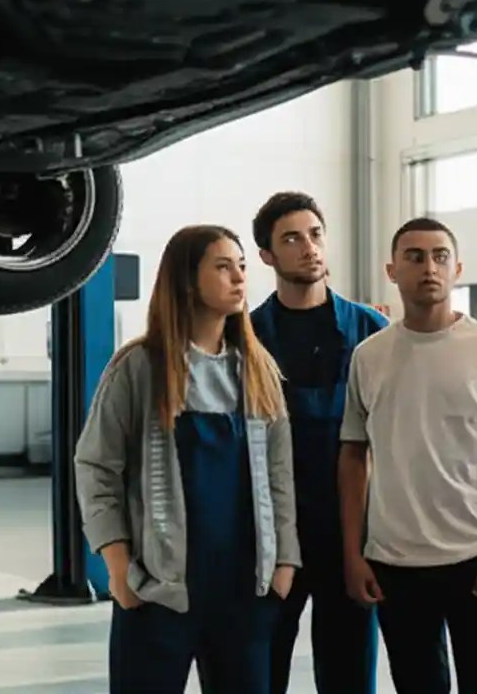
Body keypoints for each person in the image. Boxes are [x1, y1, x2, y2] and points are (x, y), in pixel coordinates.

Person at [74, 224, 301, 694]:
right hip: (158, 588)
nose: (240, 278)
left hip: (244, 591)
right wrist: (118, 569)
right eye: (223, 267)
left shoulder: (259, 371)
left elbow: (280, 476)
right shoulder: (138, 368)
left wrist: (284, 564)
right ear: (185, 280)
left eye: (241, 266)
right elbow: (96, 467)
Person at [339, 217, 477, 694]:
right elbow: (353, 456)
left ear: (457, 269)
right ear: (392, 271)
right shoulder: (368, 357)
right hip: (394, 563)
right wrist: (353, 554)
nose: (428, 267)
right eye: (414, 257)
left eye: (440, 257)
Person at [248, 191, 387, 694]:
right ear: (267, 256)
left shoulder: (372, 333)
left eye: (315, 234)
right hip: (269, 536)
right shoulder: (246, 338)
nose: (309, 247)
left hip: (351, 533)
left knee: (349, 670)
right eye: (291, 238)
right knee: (260, 670)